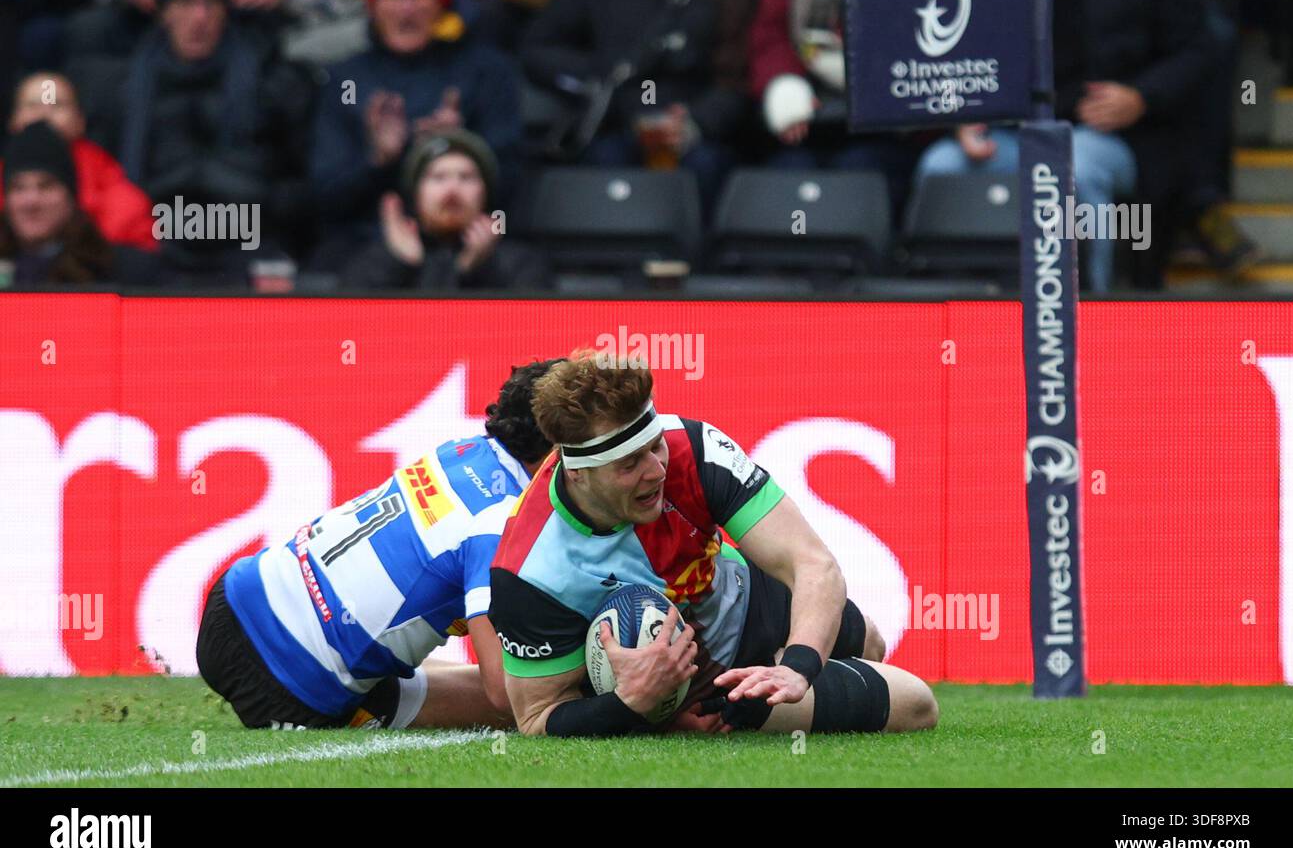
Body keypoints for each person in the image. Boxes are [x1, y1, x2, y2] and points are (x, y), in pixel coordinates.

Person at [489, 351, 939, 737]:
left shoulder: (695, 447)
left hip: (739, 595)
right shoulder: (528, 569)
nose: (656, 470)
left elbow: (812, 565)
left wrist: (796, 666)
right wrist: (631, 704)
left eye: (655, 446)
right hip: (714, 684)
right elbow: (536, 716)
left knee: (870, 641)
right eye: (629, 464)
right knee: (917, 704)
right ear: (578, 473)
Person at [195, 359, 561, 730]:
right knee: (530, 699)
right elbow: (504, 690)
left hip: (234, 598)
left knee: (392, 658)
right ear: (558, 449)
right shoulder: (502, 522)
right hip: (290, 681)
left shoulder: (463, 450)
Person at [911, 0, 1213, 293]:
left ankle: (1091, 309)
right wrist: (963, 114)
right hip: (1008, 132)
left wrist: (1141, 96)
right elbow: (948, 49)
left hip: (1109, 135)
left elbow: (1196, 49)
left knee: (1076, 169)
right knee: (940, 166)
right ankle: (944, 312)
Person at [309, 0, 523, 272]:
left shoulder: (487, 71)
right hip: (366, 242)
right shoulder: (347, 79)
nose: (406, 10)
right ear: (372, 6)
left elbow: (512, 181)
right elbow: (325, 197)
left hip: (468, 238)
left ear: (442, 4)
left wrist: (461, 148)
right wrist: (378, 161)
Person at [518, 0, 763, 206]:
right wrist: (603, 81)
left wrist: (698, 122)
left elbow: (740, 74)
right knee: (604, 166)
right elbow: (539, 49)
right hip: (612, 128)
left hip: (700, 140)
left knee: (707, 169)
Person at [113, 0, 314, 285]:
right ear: (163, 12)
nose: (199, 18)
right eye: (185, 3)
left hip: (249, 239)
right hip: (154, 242)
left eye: (210, 3)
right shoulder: (125, 88)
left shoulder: (273, 84)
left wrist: (258, 203)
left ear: (227, 10)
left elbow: (304, 183)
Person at [749, 0, 947, 206]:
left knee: (859, 170)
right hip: (813, 123)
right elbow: (770, 35)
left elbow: (943, 48)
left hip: (891, 129)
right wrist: (785, 85)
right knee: (790, 172)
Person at [343, 128, 549, 290]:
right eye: (438, 177)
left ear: (485, 192)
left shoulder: (520, 265)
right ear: (415, 194)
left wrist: (478, 271)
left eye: (466, 177)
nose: (452, 189)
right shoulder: (372, 263)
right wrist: (400, 266)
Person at [2, 72, 158, 252]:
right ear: (13, 121)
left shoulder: (123, 203)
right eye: (33, 105)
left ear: (80, 121)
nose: (44, 114)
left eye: (57, 105)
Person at [0, 120, 157, 287]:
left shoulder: (123, 269)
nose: (31, 201)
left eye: (46, 186)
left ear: (71, 197)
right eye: (18, 188)